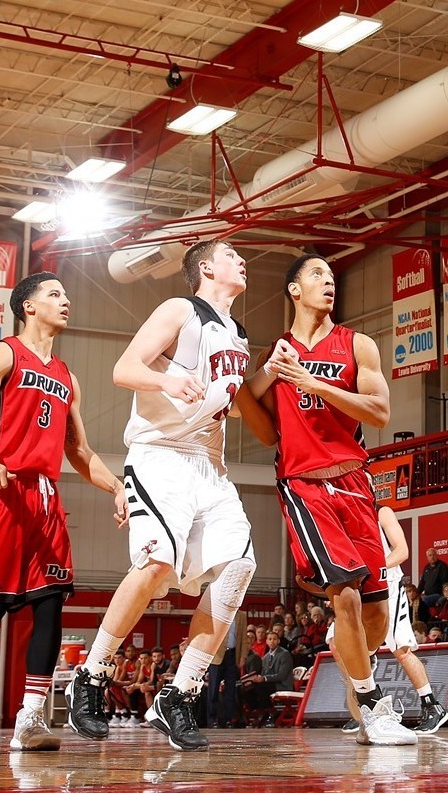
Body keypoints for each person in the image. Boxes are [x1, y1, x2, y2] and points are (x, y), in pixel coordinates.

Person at [66, 239, 256, 753]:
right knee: (155, 567)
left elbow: (227, 403)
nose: (241, 260)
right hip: (161, 455)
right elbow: (124, 368)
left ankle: (179, 695)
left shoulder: (238, 334)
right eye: (231, 253)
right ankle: (93, 674)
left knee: (237, 568)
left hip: (210, 466)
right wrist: (168, 383)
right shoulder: (180, 309)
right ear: (206, 267)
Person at [0, 272, 127, 752]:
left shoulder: (66, 376)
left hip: (45, 497)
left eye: (66, 293)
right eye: (55, 294)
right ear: (28, 306)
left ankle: (31, 716)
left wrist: (118, 487)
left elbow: (80, 451)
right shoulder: (3, 353)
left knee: (51, 601)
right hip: (2, 488)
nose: (67, 300)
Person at [239, 253, 415, 746]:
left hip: (356, 482)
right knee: (347, 596)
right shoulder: (278, 354)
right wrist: (264, 377)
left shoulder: (357, 344)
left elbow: (379, 412)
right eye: (316, 275)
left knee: (375, 613)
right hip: (305, 484)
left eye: (332, 277)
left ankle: (354, 672)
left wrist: (311, 382)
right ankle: (374, 703)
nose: (328, 282)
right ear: (293, 290)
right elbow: (254, 416)